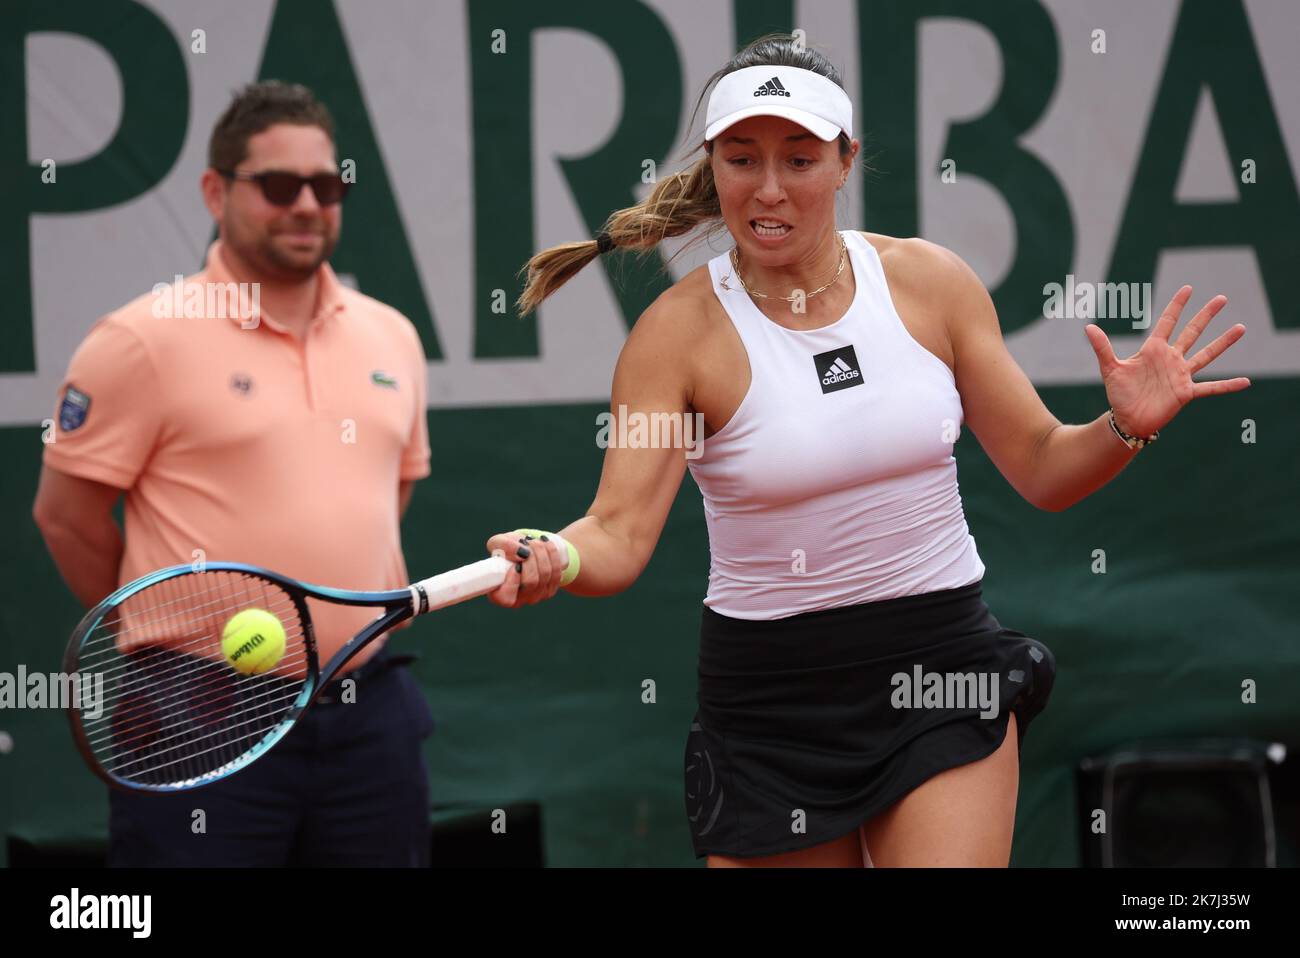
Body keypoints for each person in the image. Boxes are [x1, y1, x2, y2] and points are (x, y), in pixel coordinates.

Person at [482, 34, 1251, 868]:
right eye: (742, 159)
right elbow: (618, 532)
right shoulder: (671, 339)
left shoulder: (931, 284)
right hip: (769, 706)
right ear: (713, 167)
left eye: (799, 158)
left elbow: (1043, 465)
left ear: (845, 160)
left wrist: (1124, 426)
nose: (768, 188)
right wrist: (558, 553)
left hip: (939, 674)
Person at [32, 81, 435, 866]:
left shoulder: (391, 336)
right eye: (279, 185)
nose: (307, 204)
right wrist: (161, 625)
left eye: (326, 185)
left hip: (370, 711)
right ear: (216, 193)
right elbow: (64, 517)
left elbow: (390, 493)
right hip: (195, 714)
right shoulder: (139, 340)